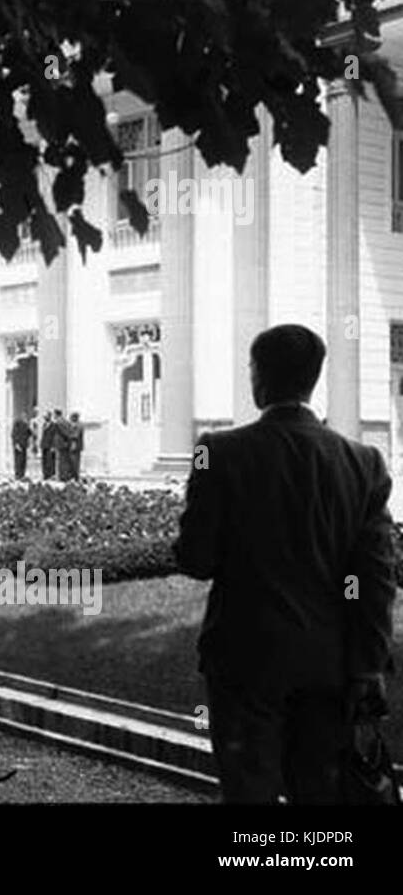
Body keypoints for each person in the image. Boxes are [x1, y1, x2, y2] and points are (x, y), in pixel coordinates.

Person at [173, 324, 395, 804]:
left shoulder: (215, 451)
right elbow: (368, 580)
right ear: (312, 379)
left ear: (260, 377)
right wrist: (367, 666)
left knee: (248, 793)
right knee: (319, 796)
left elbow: (197, 559)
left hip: (244, 658)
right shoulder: (363, 463)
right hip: (327, 662)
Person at [10, 414, 32, 480]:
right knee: (18, 460)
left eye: (25, 417)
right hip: (18, 445)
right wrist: (16, 444)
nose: (25, 418)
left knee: (23, 460)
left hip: (24, 445)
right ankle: (18, 475)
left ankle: (22, 474)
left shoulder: (26, 425)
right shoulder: (17, 424)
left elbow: (29, 433)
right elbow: (14, 434)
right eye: (24, 417)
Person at [39, 408, 57, 480]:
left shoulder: (53, 425)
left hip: (50, 445)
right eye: (44, 417)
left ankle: (50, 475)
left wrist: (53, 446)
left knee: (50, 461)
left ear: (49, 416)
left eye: (46, 416)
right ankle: (45, 474)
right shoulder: (44, 424)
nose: (45, 418)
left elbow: (54, 436)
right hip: (44, 445)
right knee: (44, 461)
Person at [66, 411, 84, 480]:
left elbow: (76, 435)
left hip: (76, 445)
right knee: (71, 461)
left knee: (75, 462)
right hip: (71, 445)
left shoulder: (79, 425)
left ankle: (76, 476)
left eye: (71, 417)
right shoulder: (72, 425)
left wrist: (68, 435)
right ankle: (72, 475)